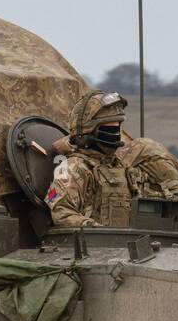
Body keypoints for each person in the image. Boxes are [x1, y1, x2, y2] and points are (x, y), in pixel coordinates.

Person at [45, 90, 135, 228]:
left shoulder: (120, 166)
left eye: (118, 126)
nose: (115, 131)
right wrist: (93, 228)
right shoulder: (73, 167)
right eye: (109, 127)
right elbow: (62, 212)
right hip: (90, 245)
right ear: (88, 130)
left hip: (124, 245)